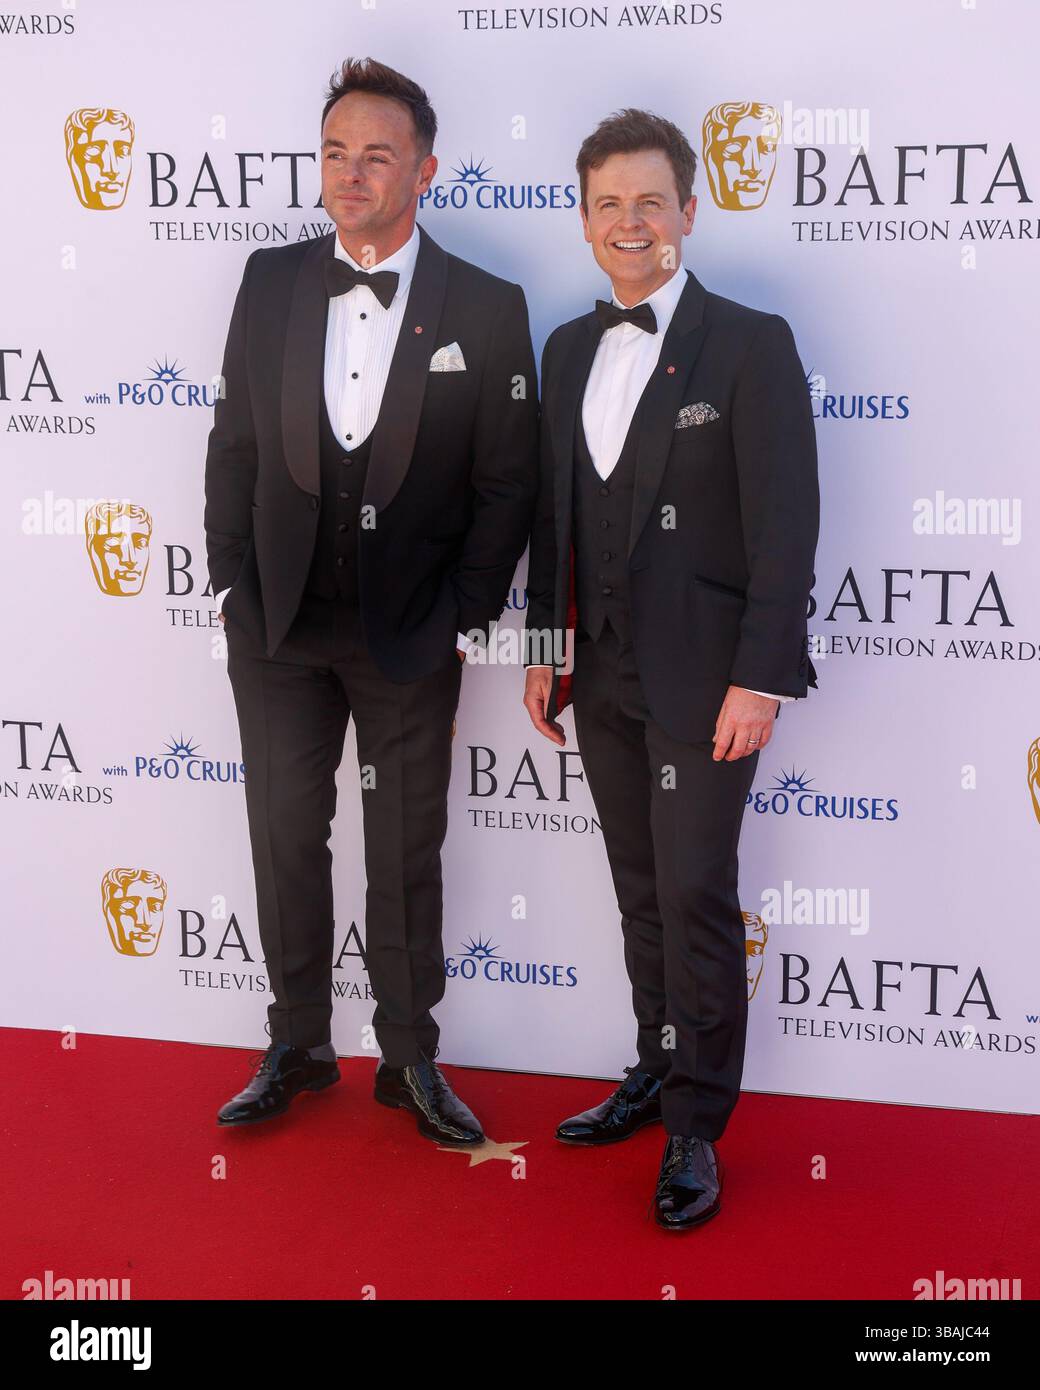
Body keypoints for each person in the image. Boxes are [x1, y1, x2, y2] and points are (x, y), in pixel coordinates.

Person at [205, 57, 538, 1144]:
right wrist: (229, 576)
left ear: (424, 171)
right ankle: (297, 1044)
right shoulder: (268, 280)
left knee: (402, 849)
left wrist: (463, 611)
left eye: (376, 156)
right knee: (283, 834)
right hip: (279, 625)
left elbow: (504, 480)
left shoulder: (487, 308)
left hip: (409, 634)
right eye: (335, 154)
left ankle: (408, 1061)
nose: (351, 175)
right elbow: (235, 439)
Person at [523, 108, 818, 1229]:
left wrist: (762, 676)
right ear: (585, 220)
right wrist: (546, 653)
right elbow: (550, 521)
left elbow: (784, 522)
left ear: (687, 212)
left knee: (694, 895)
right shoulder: (563, 349)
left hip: (706, 683)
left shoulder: (751, 342)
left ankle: (695, 1122)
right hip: (596, 676)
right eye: (608, 203)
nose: (629, 221)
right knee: (639, 892)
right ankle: (652, 1069)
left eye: (650, 201)